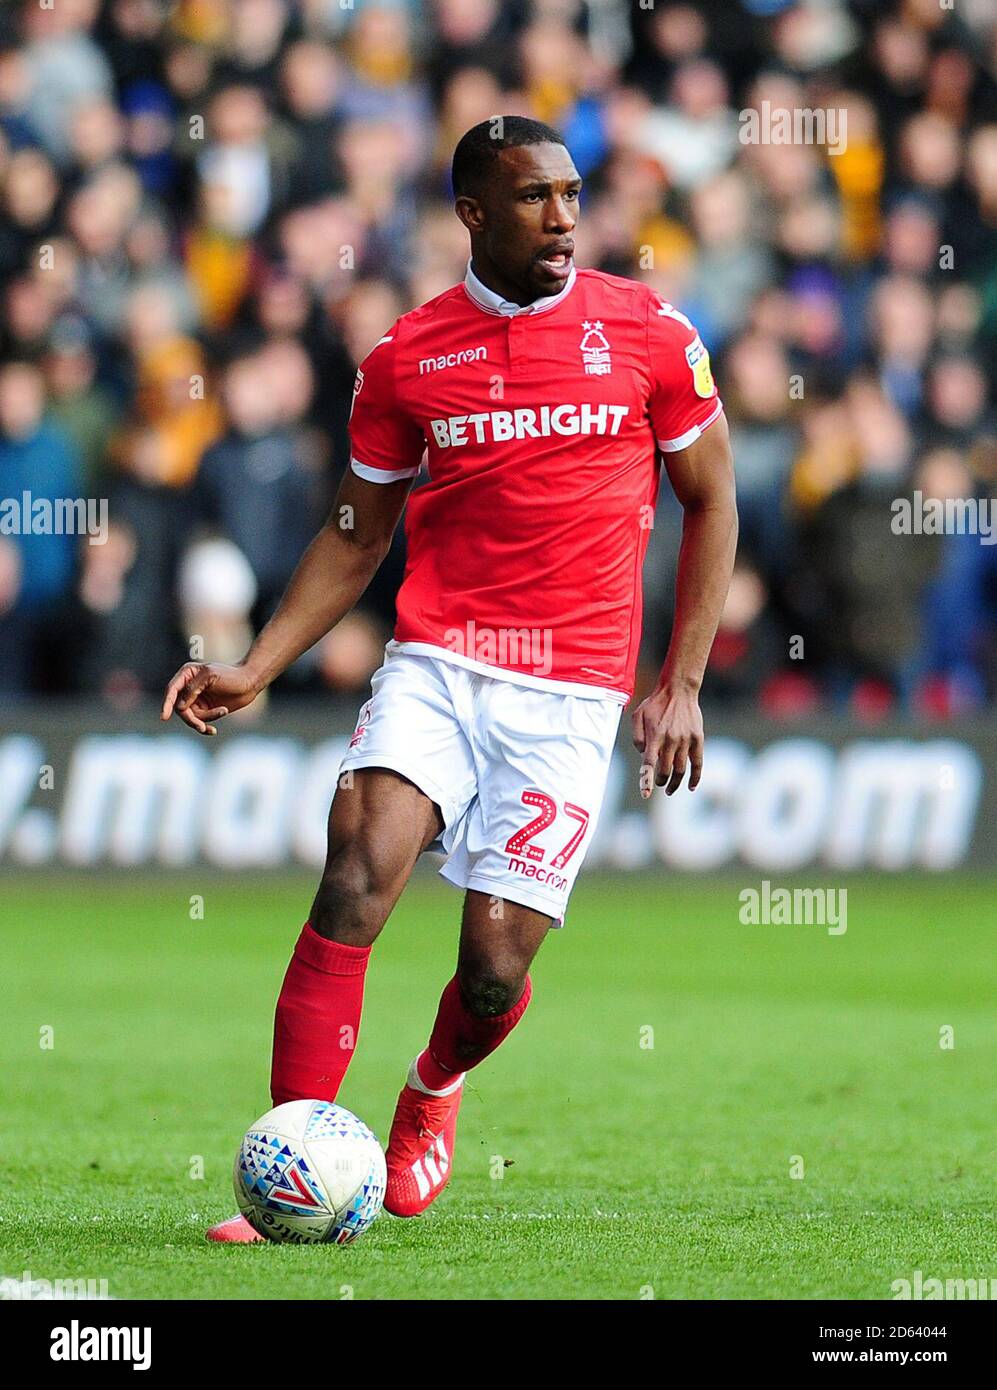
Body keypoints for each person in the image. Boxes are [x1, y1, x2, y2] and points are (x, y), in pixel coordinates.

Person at [161, 117, 737, 1240]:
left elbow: (712, 498)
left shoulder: (650, 334)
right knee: (355, 869)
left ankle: (430, 1088)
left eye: (572, 194)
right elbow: (354, 533)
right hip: (440, 659)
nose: (564, 217)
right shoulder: (409, 355)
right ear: (473, 212)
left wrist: (681, 681)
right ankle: (296, 1160)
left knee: (490, 970)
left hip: (572, 691)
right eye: (535, 198)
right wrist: (259, 664)